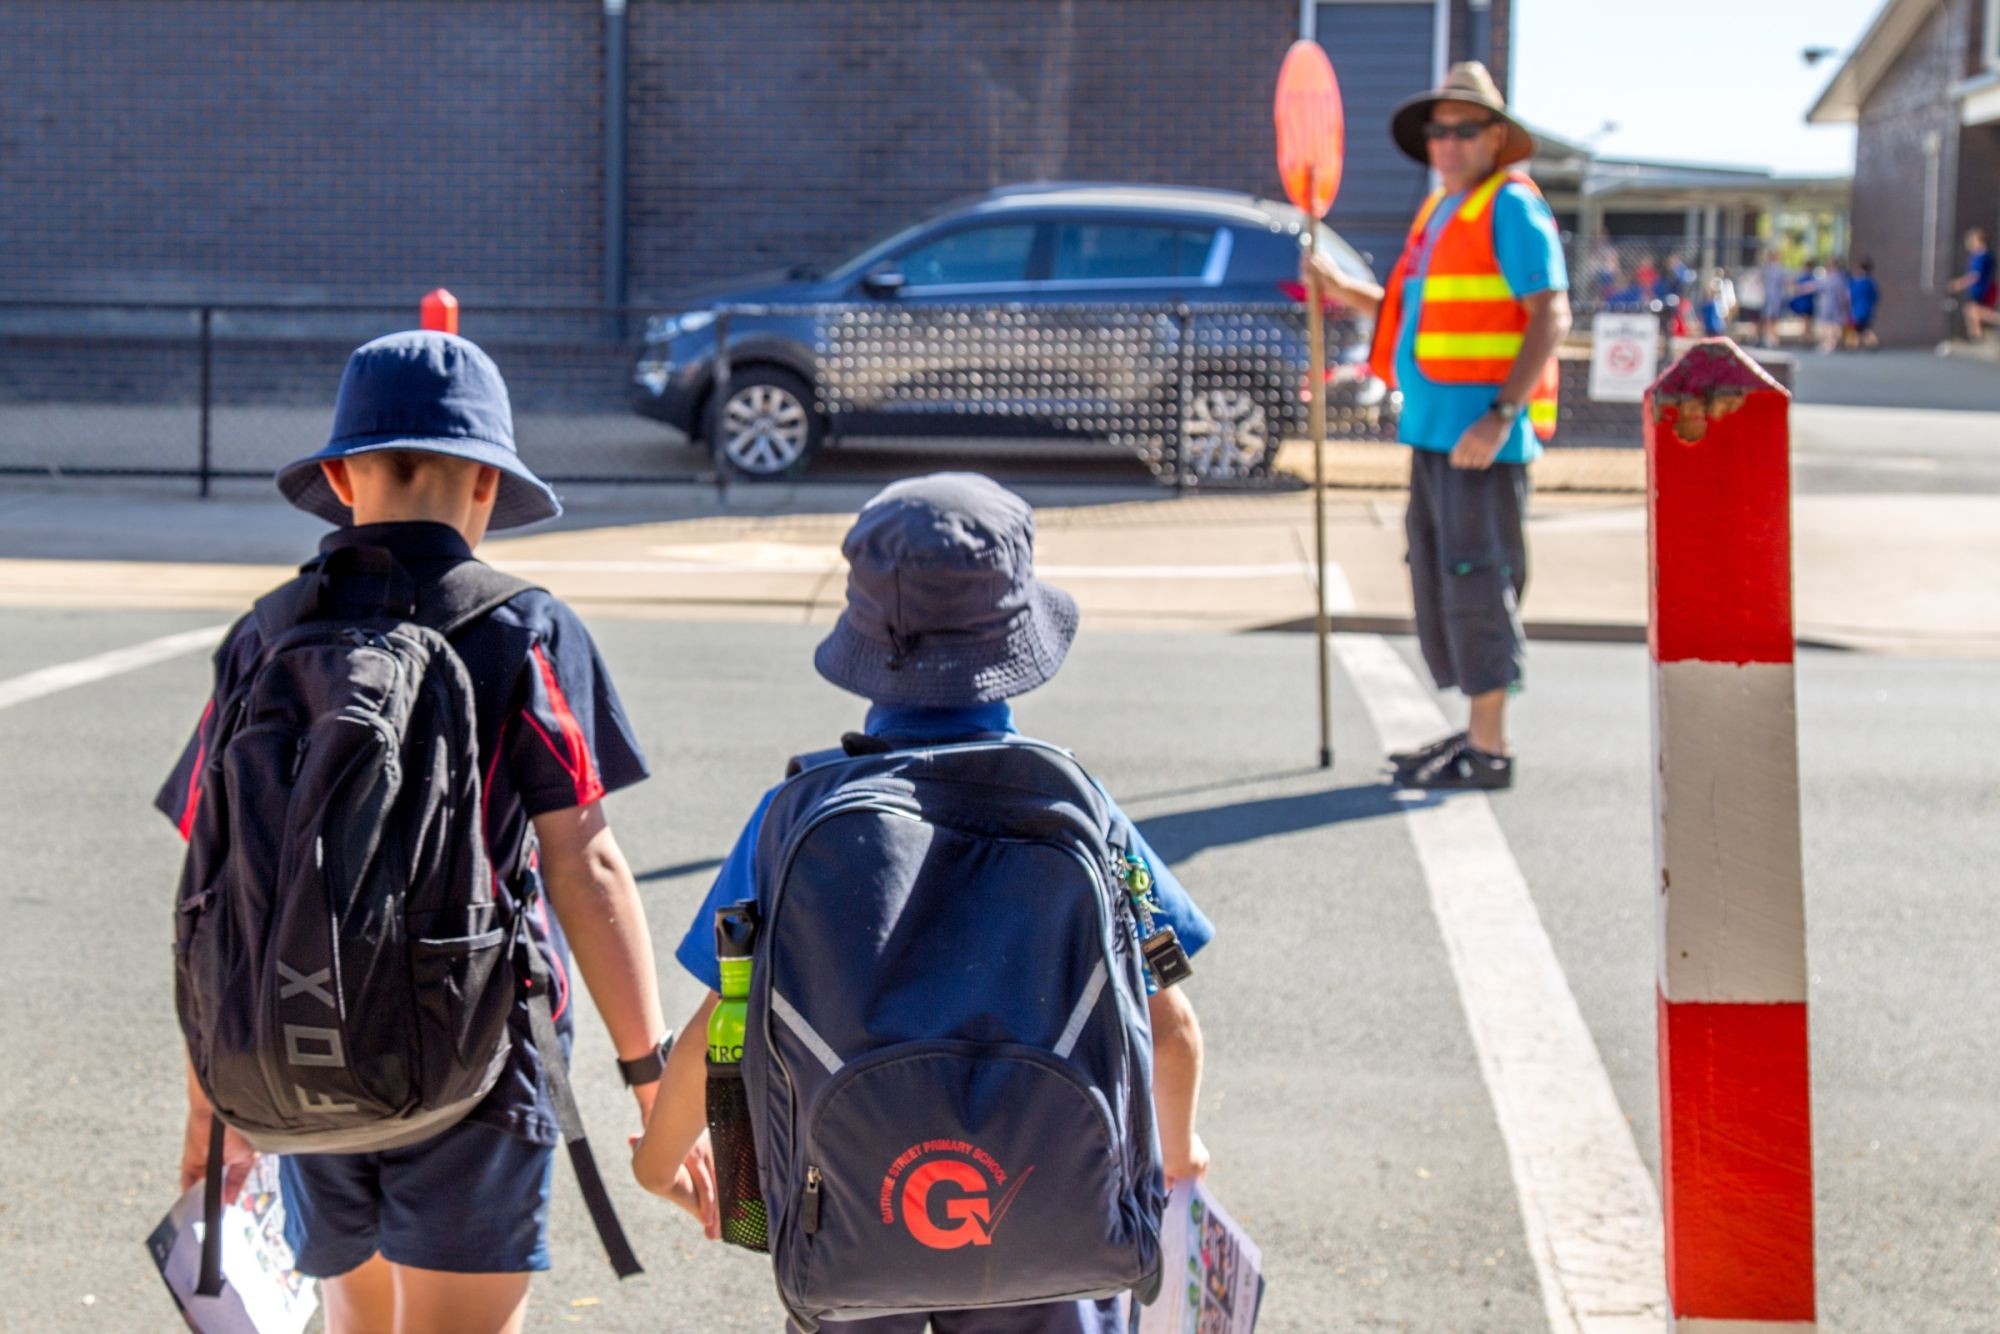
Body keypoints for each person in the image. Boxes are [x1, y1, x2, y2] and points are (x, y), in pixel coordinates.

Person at [157, 331, 690, 1334]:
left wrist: (213, 1104)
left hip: (293, 1044)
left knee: (355, 1318)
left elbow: (210, 882)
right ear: (488, 485)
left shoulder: (262, 635)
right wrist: (645, 1067)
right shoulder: (523, 627)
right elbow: (585, 860)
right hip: (480, 1051)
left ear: (338, 479)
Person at [632, 472, 1214, 1334]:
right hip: (1054, 1219)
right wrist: (1178, 1148)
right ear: (1018, 636)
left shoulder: (791, 819)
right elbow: (1169, 1025)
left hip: (855, 1220)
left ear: (864, 634)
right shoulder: (1085, 814)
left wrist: (662, 1163)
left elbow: (727, 1019)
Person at [1303, 61, 1571, 790]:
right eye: (1438, 131)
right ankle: (1476, 734)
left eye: (1464, 129)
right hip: (1433, 435)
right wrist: (1340, 289)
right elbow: (1409, 307)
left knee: (1477, 582)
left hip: (1479, 441)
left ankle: (1490, 750)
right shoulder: (1441, 210)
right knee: (1439, 576)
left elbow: (1552, 313)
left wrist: (1500, 415)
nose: (1447, 143)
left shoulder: (1509, 207)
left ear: (1495, 137)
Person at [1949, 227, 1998, 342]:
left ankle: (1977, 336)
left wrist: (1958, 284)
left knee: (1975, 311)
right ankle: (1977, 336)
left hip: (1982, 289)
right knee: (1971, 311)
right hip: (1982, 289)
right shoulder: (1984, 256)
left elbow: (1975, 276)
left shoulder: (1982, 257)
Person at [1815, 257, 1852, 353]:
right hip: (1834, 304)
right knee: (1832, 324)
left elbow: (1817, 287)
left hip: (1831, 304)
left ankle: (1830, 343)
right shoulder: (1839, 278)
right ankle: (1830, 343)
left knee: (1830, 324)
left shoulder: (1832, 278)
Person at [1757, 249, 1790, 347]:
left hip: (1771, 296)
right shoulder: (1773, 268)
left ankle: (1772, 338)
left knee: (1770, 318)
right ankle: (1772, 338)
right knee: (1771, 318)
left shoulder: (1770, 269)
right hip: (1773, 296)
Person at [1849, 258, 1880, 350]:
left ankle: (1854, 345)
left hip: (1857, 308)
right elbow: (1876, 297)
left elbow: (1851, 296)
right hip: (1867, 308)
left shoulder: (1856, 282)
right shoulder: (1871, 283)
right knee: (1863, 328)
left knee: (1859, 328)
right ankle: (1857, 344)